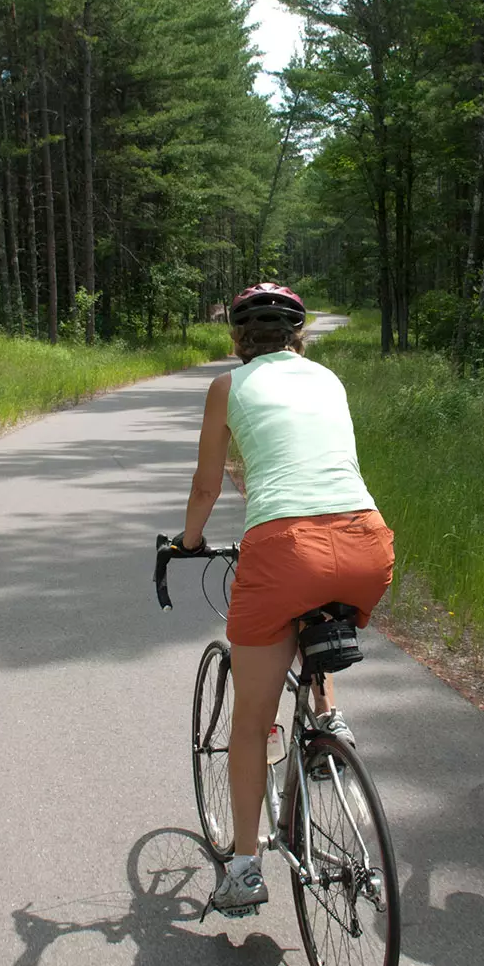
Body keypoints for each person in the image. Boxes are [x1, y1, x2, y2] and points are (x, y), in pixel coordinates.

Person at [172, 283, 395, 916]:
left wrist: (188, 544)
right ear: (298, 336)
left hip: (282, 547)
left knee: (250, 723)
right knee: (320, 610)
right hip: (365, 541)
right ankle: (329, 719)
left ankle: (244, 869)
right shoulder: (329, 380)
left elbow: (207, 485)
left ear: (238, 340)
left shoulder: (227, 388)